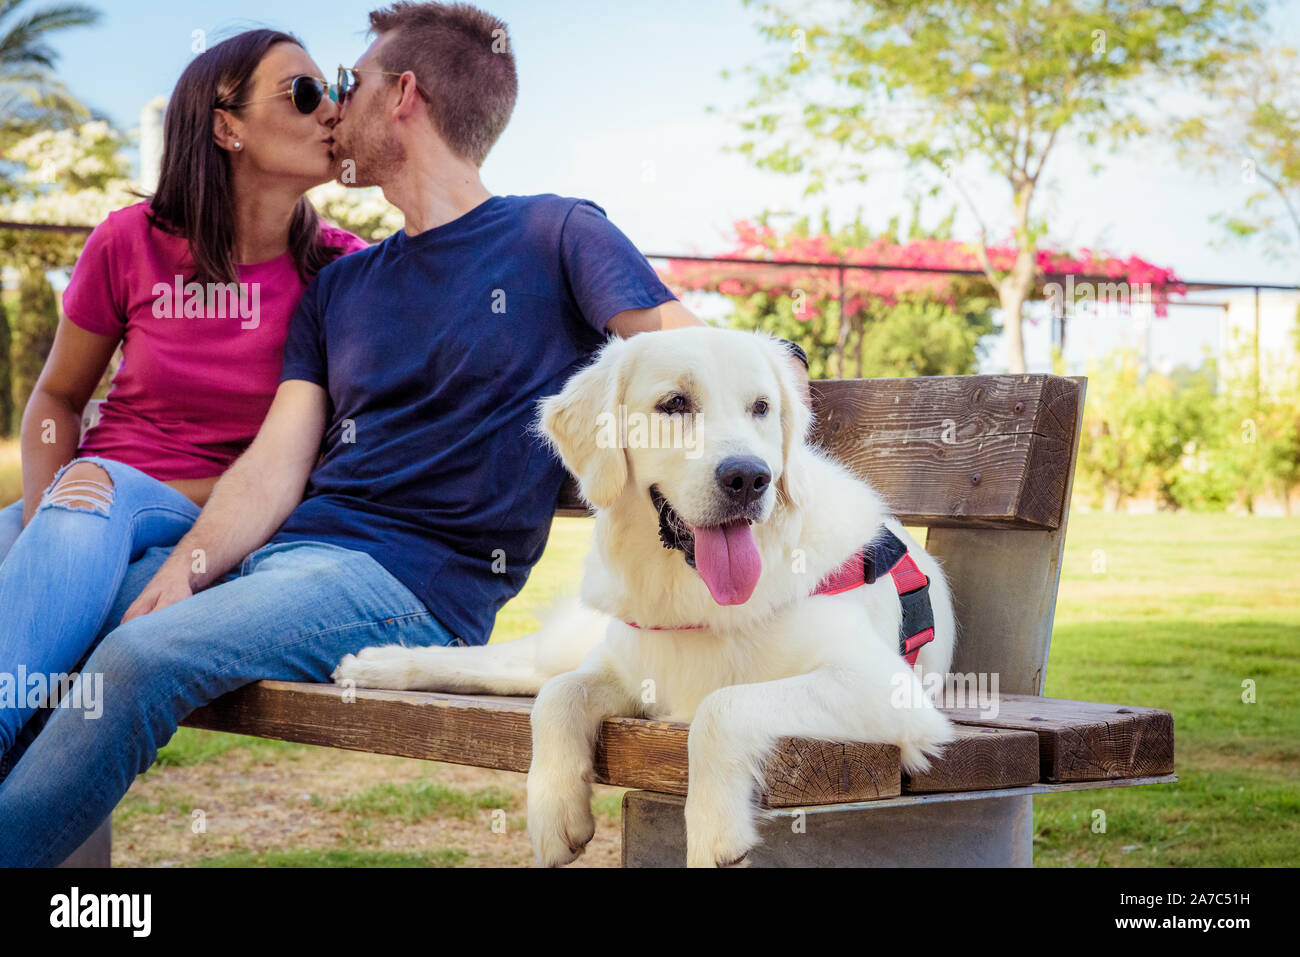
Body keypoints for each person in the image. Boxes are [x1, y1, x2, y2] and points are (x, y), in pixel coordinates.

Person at [0, 0, 809, 867]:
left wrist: (781, 361)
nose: (333, 108)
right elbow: (276, 463)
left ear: (404, 97)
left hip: (414, 586)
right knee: (81, 632)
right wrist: (190, 564)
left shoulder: (555, 233)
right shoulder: (340, 287)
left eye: (348, 85)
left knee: (136, 659)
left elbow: (687, 352)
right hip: (290, 563)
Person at [0, 30, 367, 777]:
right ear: (226, 126)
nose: (331, 109)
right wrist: (50, 522)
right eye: (303, 93)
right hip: (90, 504)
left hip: (220, 516)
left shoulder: (343, 268)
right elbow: (58, 399)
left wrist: (83, 508)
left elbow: (329, 452)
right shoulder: (129, 242)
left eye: (333, 86)